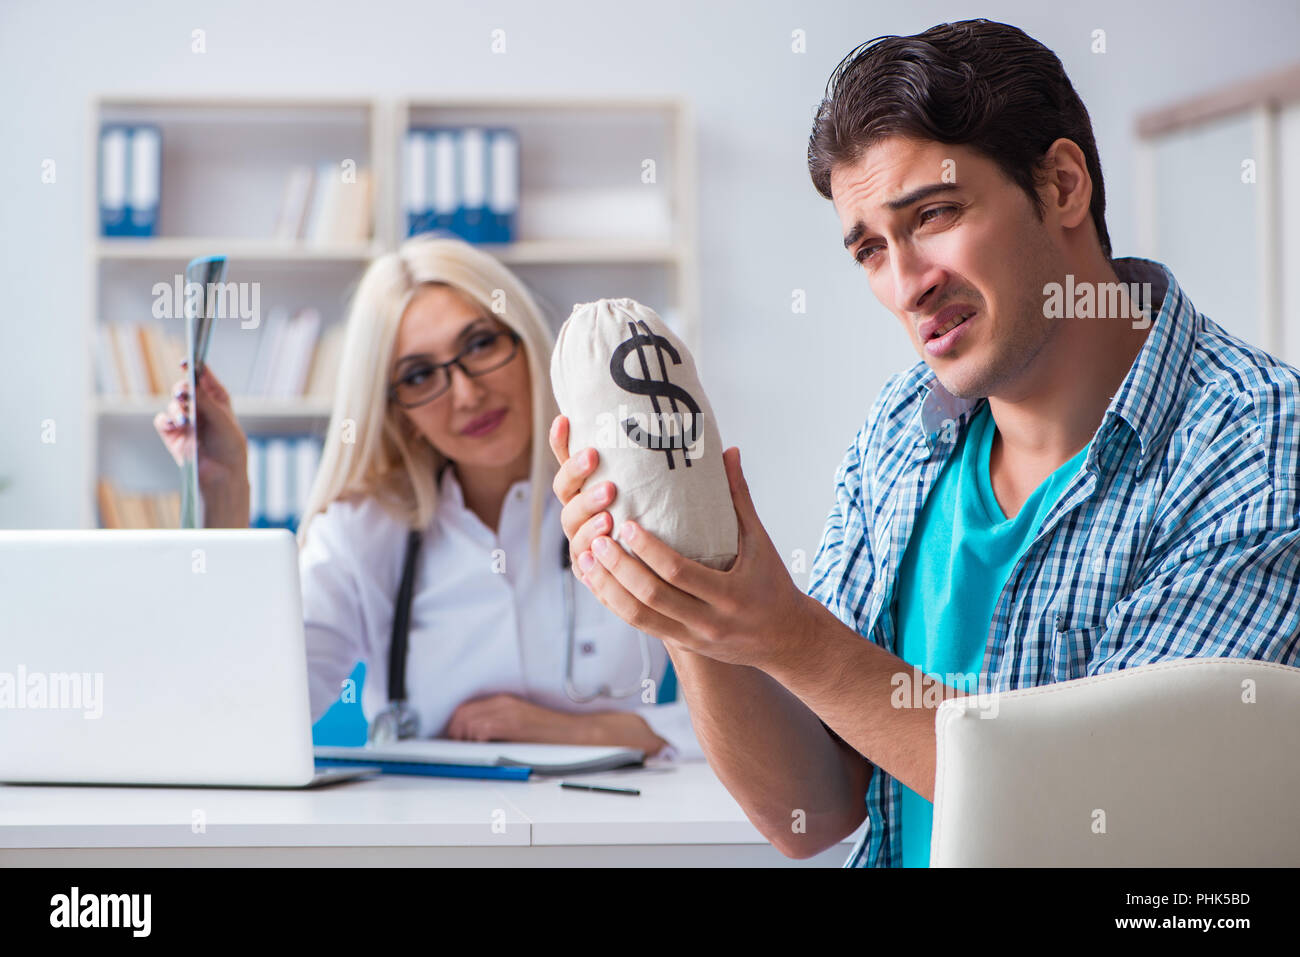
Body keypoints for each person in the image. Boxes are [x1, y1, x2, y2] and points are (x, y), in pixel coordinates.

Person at [548, 18, 1300, 866]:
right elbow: (812, 810)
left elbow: (1119, 818)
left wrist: (788, 634)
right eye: (870, 248)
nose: (907, 284)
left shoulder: (1258, 445)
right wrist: (693, 605)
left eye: (933, 214)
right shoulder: (903, 429)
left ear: (1061, 185)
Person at [156, 235, 698, 759]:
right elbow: (250, 716)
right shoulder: (361, 532)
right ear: (398, 412)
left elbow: (750, 711)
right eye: (418, 376)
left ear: (527, 341)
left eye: (481, 344)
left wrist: (586, 730)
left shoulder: (635, 491)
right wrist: (224, 495)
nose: (467, 394)